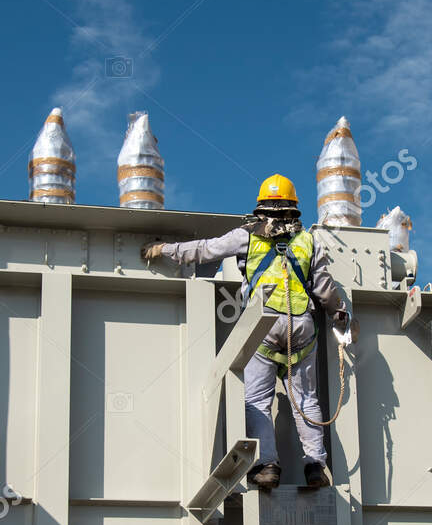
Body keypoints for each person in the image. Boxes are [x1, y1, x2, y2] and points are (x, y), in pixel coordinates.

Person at [143, 174, 350, 490]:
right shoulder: (310, 241)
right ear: (294, 209)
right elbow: (324, 289)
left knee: (256, 399)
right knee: (307, 399)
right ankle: (315, 467)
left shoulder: (247, 236)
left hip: (263, 325)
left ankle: (268, 465)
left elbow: (205, 250)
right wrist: (340, 316)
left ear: (261, 208)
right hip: (302, 328)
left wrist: (164, 250)